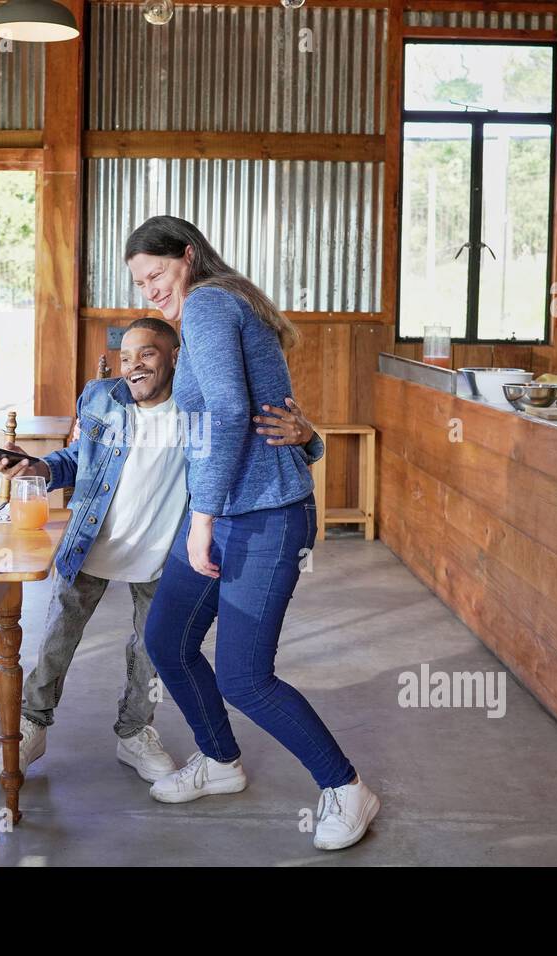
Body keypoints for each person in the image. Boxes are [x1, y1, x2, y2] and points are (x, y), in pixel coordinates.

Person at [127, 215, 380, 852]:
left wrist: (202, 520)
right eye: (139, 281)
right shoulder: (219, 304)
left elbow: (235, 412)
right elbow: (272, 411)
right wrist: (310, 441)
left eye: (156, 273)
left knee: (244, 675)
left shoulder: (210, 305)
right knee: (167, 638)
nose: (150, 289)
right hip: (224, 508)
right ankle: (218, 760)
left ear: (188, 256)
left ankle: (347, 789)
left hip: (260, 517)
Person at [0, 318, 322, 783]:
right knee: (57, 640)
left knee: (150, 648)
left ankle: (134, 731)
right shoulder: (101, 397)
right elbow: (78, 458)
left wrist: (310, 438)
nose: (133, 366)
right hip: (92, 541)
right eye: (126, 357)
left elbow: (257, 451)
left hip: (162, 553)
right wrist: (38, 467)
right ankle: (32, 723)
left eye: (146, 354)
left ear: (174, 357)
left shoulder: (201, 410)